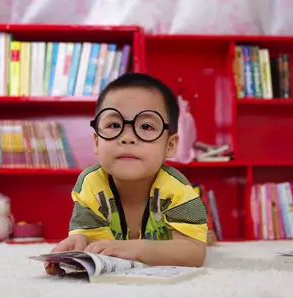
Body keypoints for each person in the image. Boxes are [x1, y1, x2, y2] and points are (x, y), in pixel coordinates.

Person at [46, 73, 207, 275]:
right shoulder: (90, 184)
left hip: (174, 236)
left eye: (146, 126)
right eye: (114, 125)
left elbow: (194, 252)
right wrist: (79, 242)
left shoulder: (178, 189)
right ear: (96, 141)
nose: (128, 137)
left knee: (203, 237)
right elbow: (90, 237)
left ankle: (207, 233)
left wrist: (134, 248)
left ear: (171, 145)